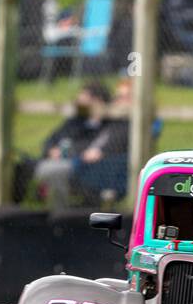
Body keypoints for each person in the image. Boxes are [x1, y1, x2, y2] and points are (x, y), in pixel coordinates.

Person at [33, 80, 130, 209]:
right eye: (118, 97)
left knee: (50, 170)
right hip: (70, 161)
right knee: (38, 167)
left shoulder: (118, 125)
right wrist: (52, 150)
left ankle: (60, 212)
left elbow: (100, 148)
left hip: (92, 167)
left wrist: (73, 153)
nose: (117, 101)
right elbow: (52, 139)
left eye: (123, 97)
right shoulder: (77, 120)